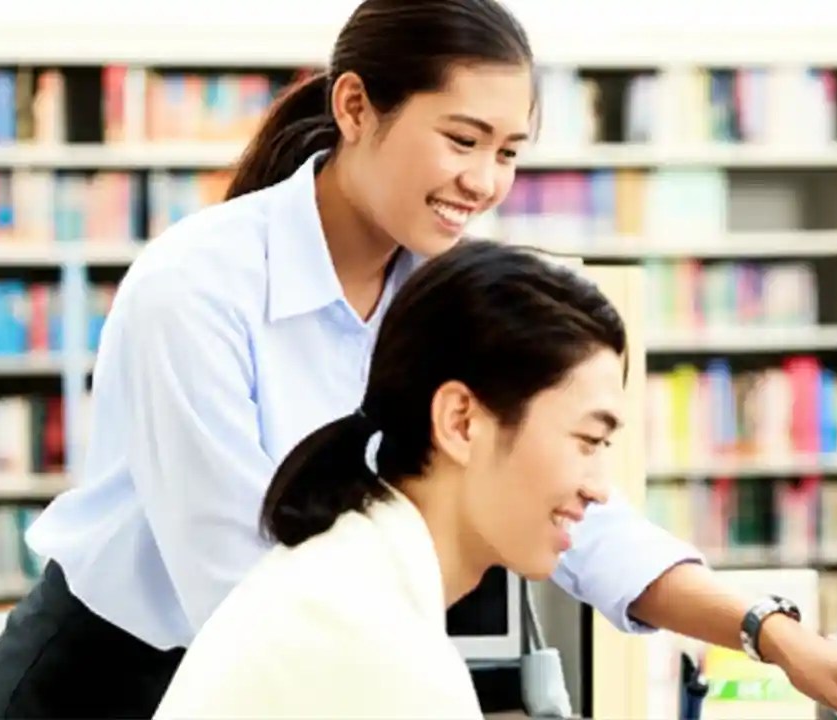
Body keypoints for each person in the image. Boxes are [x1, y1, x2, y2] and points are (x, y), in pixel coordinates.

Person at [0, 1, 837, 719]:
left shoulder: (443, 288)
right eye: (461, 139)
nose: (484, 181)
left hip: (297, 666)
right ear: (355, 107)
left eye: (509, 151)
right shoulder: (196, 287)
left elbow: (576, 513)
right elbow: (241, 589)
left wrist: (771, 633)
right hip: (107, 676)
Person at [154, 239, 627, 718]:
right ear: (461, 423)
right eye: (587, 440)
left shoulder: (349, 578)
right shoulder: (379, 645)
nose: (600, 488)